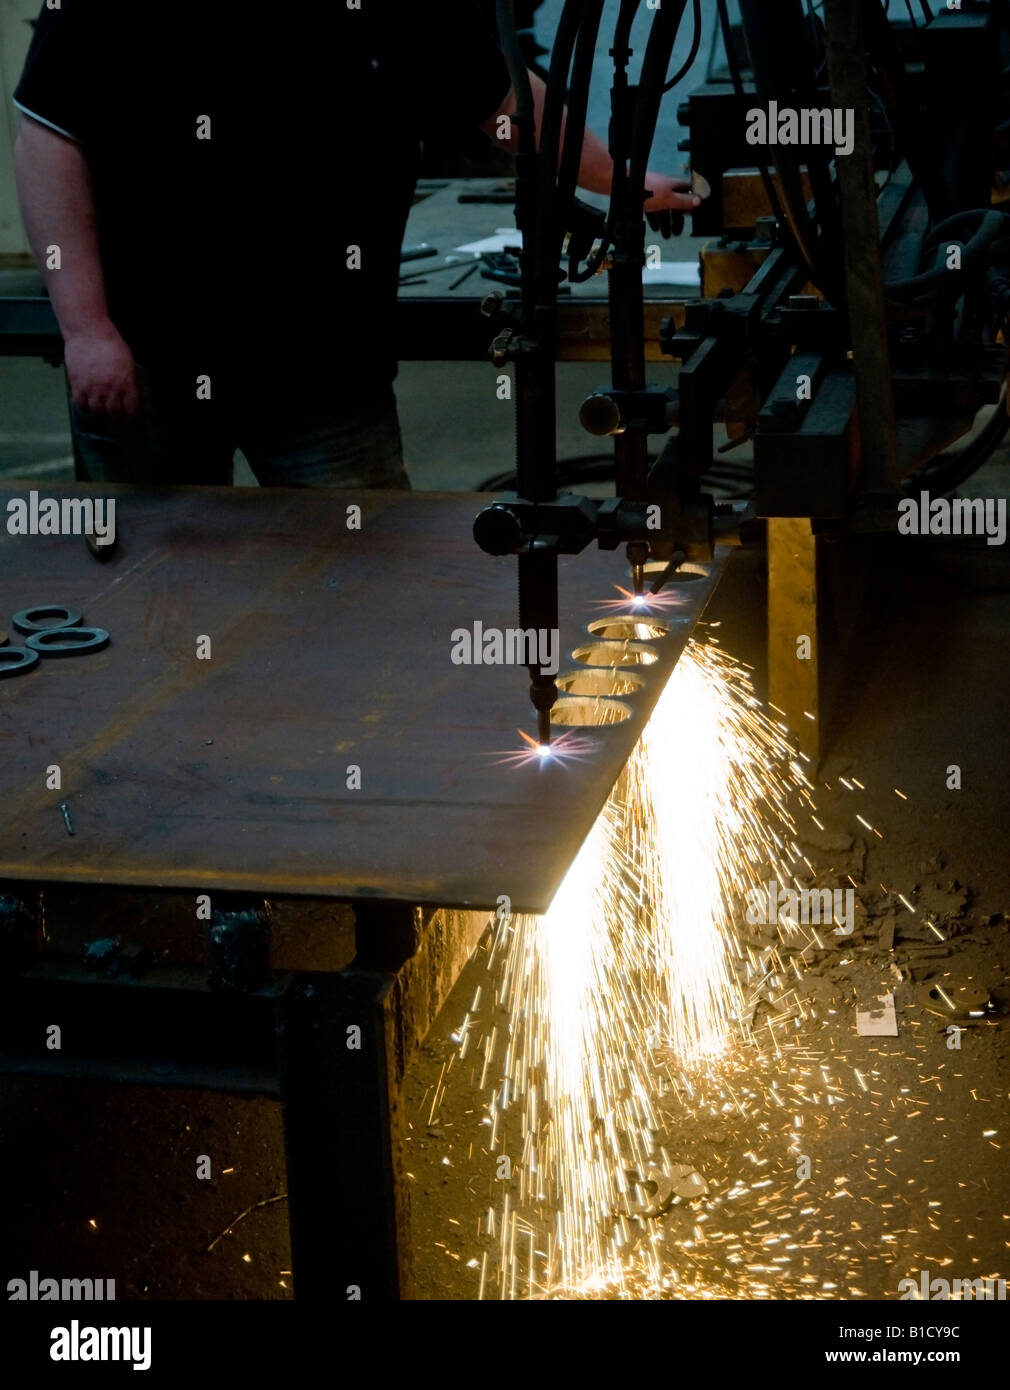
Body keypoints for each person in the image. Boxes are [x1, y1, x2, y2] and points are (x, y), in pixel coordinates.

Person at [14, 0, 700, 490]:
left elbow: (499, 104)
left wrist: (612, 177)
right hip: (150, 355)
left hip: (323, 364)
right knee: (150, 587)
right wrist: (87, 329)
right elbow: (50, 135)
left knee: (359, 587)